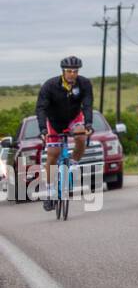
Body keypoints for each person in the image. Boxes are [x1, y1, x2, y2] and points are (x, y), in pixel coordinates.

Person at [35, 56, 93, 211]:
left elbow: (87, 104)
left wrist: (89, 123)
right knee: (53, 153)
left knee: (81, 135)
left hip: (74, 118)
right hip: (54, 122)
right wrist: (42, 129)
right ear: (63, 71)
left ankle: (73, 164)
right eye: (69, 71)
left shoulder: (84, 83)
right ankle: (49, 191)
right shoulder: (50, 85)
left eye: (75, 71)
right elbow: (40, 108)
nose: (72, 74)